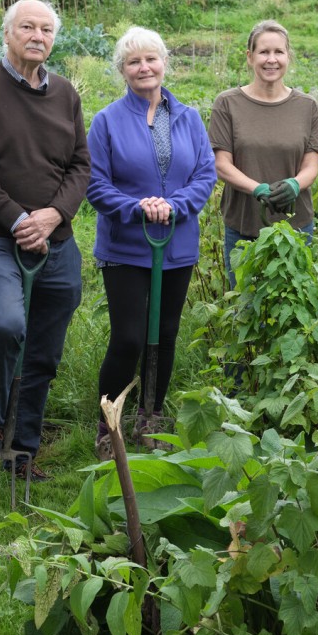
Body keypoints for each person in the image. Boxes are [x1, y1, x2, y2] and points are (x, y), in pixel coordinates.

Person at [0, 0, 90, 481]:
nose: (38, 36)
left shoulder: (66, 95)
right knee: (10, 325)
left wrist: (54, 215)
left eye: (47, 29)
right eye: (28, 27)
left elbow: (81, 165)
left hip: (57, 244)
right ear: (8, 33)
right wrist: (18, 220)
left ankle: (24, 449)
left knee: (44, 352)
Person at [86, 27, 215, 458]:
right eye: (133, 62)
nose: (144, 68)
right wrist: (138, 207)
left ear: (164, 63)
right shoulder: (106, 121)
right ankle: (109, 425)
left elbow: (205, 174)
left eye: (151, 59)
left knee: (167, 332)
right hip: (127, 245)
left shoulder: (189, 117)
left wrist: (173, 205)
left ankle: (151, 417)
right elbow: (95, 184)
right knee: (128, 337)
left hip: (175, 245)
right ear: (122, 70)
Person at [208, 19, 318, 282]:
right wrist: (256, 188)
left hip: (296, 227)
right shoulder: (228, 104)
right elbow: (221, 163)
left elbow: (311, 165)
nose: (271, 60)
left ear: (288, 57)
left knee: (293, 307)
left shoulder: (306, 106)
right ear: (250, 57)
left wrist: (295, 184)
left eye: (278, 52)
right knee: (245, 306)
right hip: (244, 226)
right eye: (263, 52)